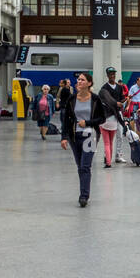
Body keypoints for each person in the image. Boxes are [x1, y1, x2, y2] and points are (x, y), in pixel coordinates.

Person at [59, 72, 106, 207]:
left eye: (82, 80)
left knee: (85, 166)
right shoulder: (71, 99)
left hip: (90, 136)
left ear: (89, 83)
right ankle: (84, 190)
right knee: (80, 166)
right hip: (75, 136)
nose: (79, 82)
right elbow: (66, 120)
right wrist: (64, 137)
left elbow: (102, 118)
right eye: (78, 79)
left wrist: (88, 122)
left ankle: (84, 196)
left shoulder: (95, 99)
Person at [96, 78, 124, 168]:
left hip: (104, 123)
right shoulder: (113, 104)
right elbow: (118, 116)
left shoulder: (100, 103)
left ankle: (108, 162)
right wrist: (124, 124)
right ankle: (110, 159)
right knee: (111, 143)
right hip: (113, 123)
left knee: (106, 144)